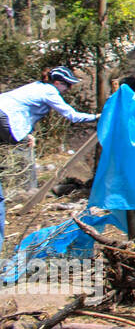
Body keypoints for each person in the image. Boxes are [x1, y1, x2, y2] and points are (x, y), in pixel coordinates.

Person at [0, 66, 99, 245]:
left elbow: (23, 110)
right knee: (17, 150)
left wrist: (26, 134)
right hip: (6, 118)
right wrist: (98, 116)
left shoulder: (36, 86)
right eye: (67, 86)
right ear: (57, 82)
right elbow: (73, 116)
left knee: (17, 147)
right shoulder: (49, 91)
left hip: (4, 114)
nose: (68, 90)